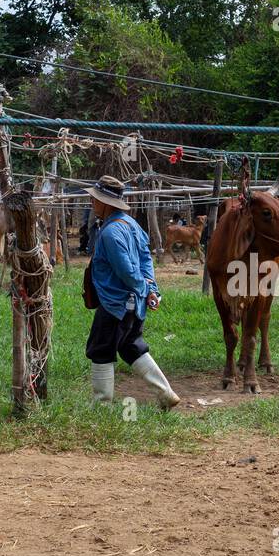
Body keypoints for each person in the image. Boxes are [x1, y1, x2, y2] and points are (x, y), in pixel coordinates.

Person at [84, 175, 180, 410]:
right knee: (130, 345)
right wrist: (151, 288)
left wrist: (146, 288)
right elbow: (146, 260)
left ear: (105, 203)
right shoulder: (132, 224)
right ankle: (166, 393)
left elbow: (127, 270)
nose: (91, 202)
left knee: (100, 348)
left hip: (115, 304)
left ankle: (102, 405)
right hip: (134, 304)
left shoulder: (110, 233)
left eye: (95, 198)